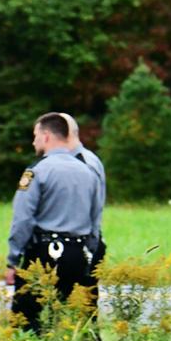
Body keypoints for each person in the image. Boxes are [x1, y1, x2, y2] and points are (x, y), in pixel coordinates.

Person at [5, 112, 101, 333]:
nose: (33, 141)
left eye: (35, 135)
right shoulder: (88, 171)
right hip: (79, 254)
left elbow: (22, 219)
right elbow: (95, 219)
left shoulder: (36, 172)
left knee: (27, 322)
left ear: (46, 137)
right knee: (73, 321)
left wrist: (13, 259)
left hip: (43, 256)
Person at [60, 113, 107, 313]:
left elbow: (89, 209)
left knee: (83, 312)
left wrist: (89, 247)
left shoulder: (83, 162)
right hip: (82, 243)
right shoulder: (82, 160)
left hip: (83, 244)